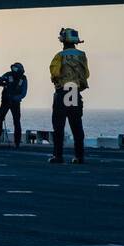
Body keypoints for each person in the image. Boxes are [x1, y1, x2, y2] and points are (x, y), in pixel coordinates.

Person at [48, 28, 89, 164]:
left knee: (59, 126)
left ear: (63, 40)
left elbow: (54, 72)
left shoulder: (60, 55)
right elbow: (86, 74)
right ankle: (79, 156)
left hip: (63, 92)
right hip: (74, 92)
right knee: (77, 126)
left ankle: (58, 156)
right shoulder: (82, 55)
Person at [0, 62, 28, 147]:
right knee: (0, 119)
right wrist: (4, 82)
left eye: (15, 69)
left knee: (16, 122)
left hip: (14, 103)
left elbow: (23, 93)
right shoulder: (8, 75)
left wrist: (14, 98)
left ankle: (17, 142)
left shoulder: (23, 79)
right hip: (6, 101)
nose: (14, 70)